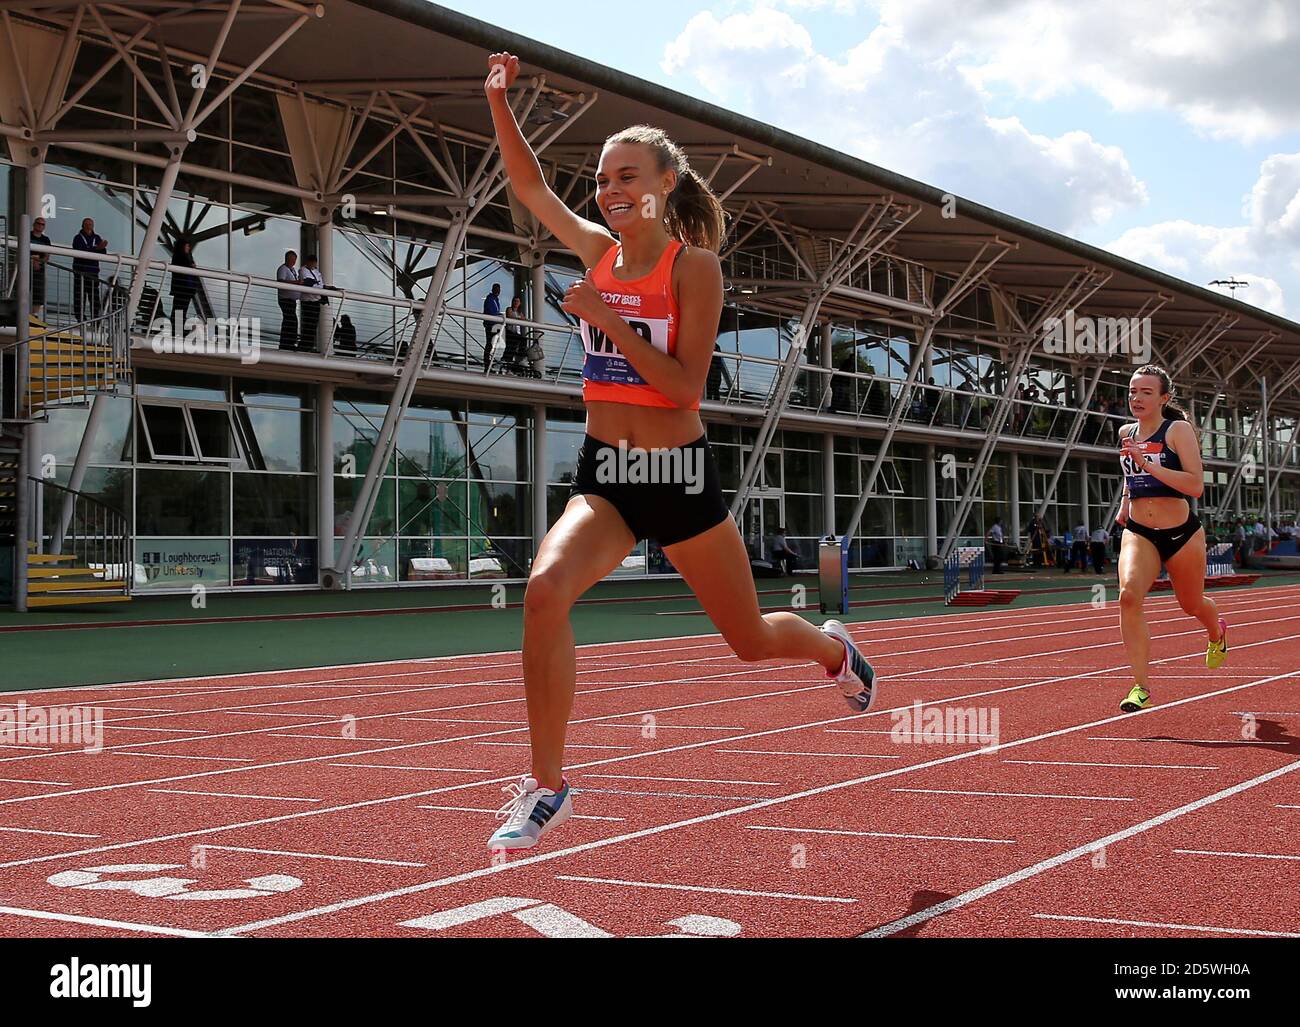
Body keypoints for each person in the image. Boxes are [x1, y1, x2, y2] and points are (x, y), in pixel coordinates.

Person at [480, 50, 879, 851]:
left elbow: (683, 388)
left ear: (663, 185)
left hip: (677, 475)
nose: (610, 191)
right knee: (542, 592)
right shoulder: (594, 249)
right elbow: (529, 189)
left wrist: (607, 315)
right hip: (607, 475)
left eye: (627, 176)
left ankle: (833, 647)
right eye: (602, 179)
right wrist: (497, 100)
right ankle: (550, 785)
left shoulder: (692, 268)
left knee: (751, 640)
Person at [1116, 364, 1226, 713]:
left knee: (1191, 605)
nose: (1137, 398)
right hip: (1139, 531)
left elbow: (1195, 486)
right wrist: (1124, 504)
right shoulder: (1125, 431)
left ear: (1164, 397)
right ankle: (1140, 686)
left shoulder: (1177, 430)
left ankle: (1216, 632)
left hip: (1182, 534)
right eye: (1133, 391)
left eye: (1146, 392)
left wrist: (1147, 464)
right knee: (1128, 597)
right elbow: (1129, 474)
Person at [71, 217, 108, 320]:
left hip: (93, 272)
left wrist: (97, 249)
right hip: (80, 272)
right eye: (86, 224)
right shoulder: (78, 238)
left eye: (90, 225)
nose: (88, 226)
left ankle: (96, 319)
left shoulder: (97, 237)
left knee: (94, 297)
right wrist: (96, 249)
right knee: (79, 296)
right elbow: (80, 251)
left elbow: (103, 252)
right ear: (83, 226)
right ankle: (80, 318)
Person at [298, 254, 325, 352]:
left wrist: (317, 286)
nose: (313, 264)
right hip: (307, 301)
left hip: (315, 301)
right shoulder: (303, 270)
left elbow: (320, 284)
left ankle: (309, 346)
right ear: (308, 262)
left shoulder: (317, 272)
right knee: (308, 324)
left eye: (314, 263)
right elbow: (308, 283)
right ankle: (304, 346)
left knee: (313, 325)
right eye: (311, 263)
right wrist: (317, 286)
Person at [169, 239, 200, 325]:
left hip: (185, 288)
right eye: (187, 246)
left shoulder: (181, 257)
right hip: (184, 287)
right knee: (180, 309)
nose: (188, 248)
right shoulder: (181, 257)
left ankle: (177, 330)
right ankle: (177, 330)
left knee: (180, 309)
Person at [276, 250, 299, 350]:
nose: (293, 262)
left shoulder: (292, 270)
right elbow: (281, 281)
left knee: (291, 320)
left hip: (292, 300)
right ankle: (286, 343)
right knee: (290, 320)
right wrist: (296, 283)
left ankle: (289, 342)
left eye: (294, 260)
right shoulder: (283, 269)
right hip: (285, 299)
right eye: (292, 260)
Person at [30, 216, 51, 320]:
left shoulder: (45, 239)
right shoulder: (27, 235)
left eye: (42, 224)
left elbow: (47, 255)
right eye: (38, 223)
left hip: (39, 268)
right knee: (25, 288)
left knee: (38, 290)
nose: (40, 226)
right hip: (26, 266)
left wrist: (39, 262)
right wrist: (32, 260)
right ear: (34, 224)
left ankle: (35, 314)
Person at [482, 282, 503, 371]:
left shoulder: (495, 299)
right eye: (496, 289)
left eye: (498, 289)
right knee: (490, 343)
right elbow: (491, 312)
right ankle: (487, 362)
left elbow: (494, 312)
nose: (498, 291)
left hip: (494, 324)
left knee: (491, 343)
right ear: (493, 289)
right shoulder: (490, 299)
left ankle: (488, 361)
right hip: (491, 324)